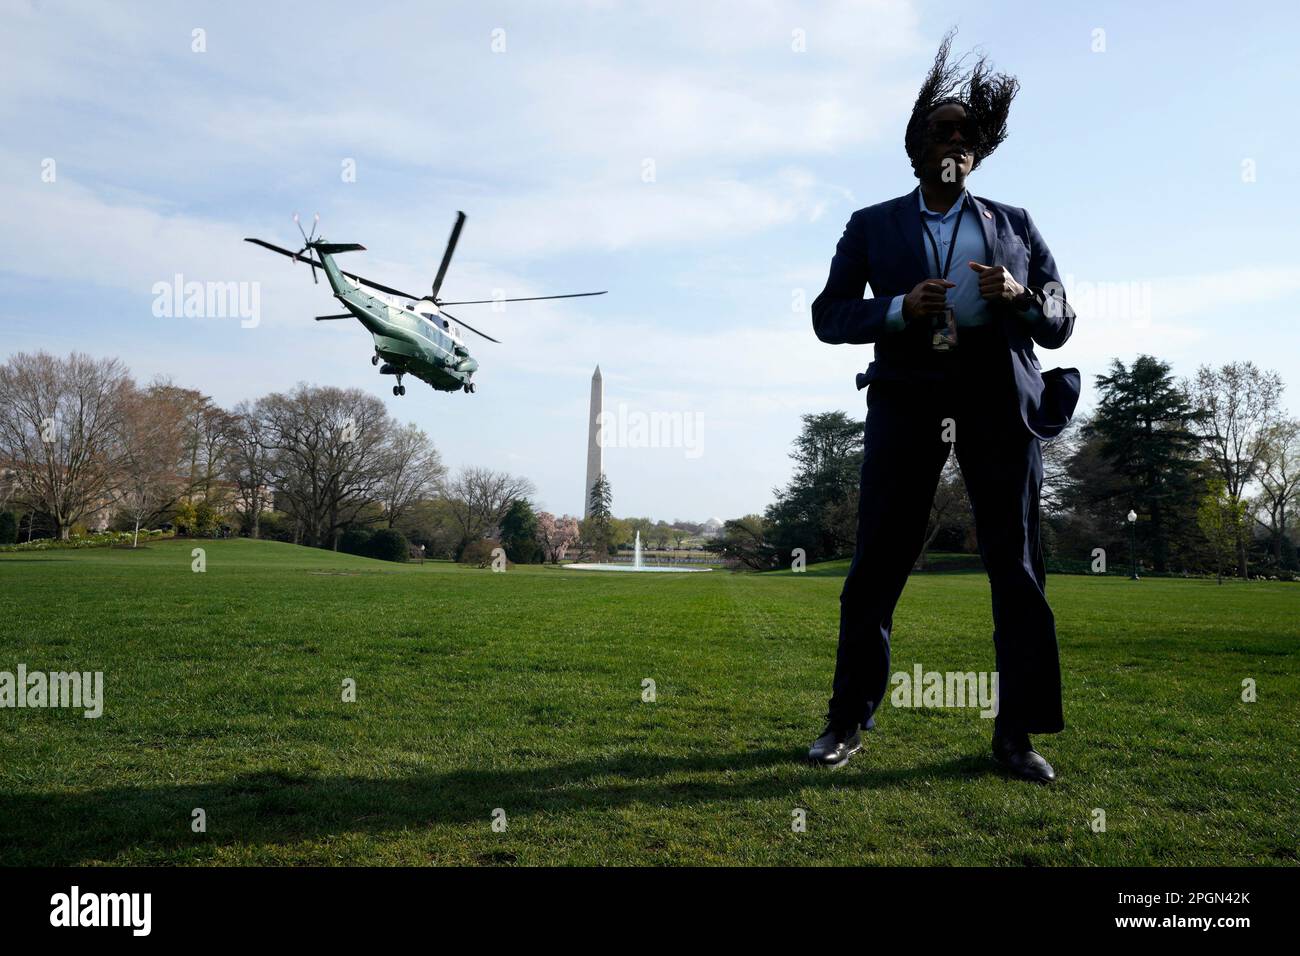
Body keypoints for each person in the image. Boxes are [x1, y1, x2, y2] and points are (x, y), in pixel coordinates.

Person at [807, 32, 1080, 782]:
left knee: (1017, 566)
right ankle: (844, 723)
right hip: (908, 399)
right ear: (917, 145)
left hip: (999, 398)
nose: (953, 141)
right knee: (876, 566)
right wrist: (896, 307)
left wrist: (1023, 297)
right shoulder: (871, 225)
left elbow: (1060, 316)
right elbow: (829, 315)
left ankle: (1016, 735)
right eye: (941, 130)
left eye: (965, 134)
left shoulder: (1017, 224)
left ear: (977, 151)